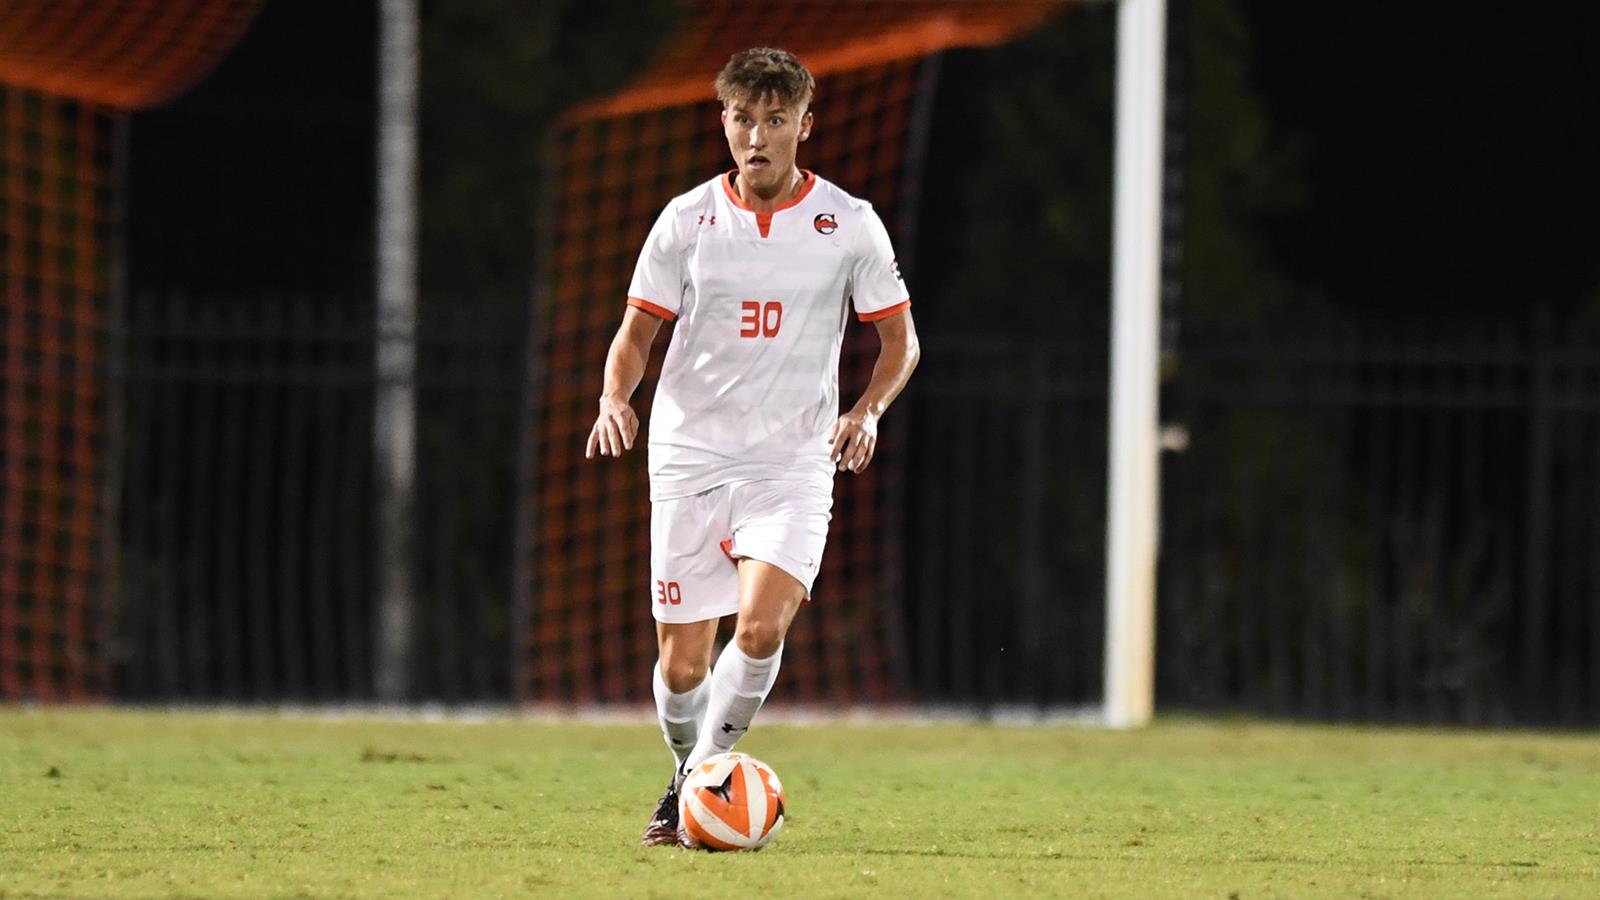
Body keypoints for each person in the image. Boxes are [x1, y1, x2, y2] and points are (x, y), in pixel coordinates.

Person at [585, 46, 920, 847]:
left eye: (775, 120)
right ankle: (686, 772)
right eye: (743, 118)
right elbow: (637, 334)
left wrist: (867, 410)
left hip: (794, 461)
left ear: (806, 124)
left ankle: (694, 787)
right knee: (681, 669)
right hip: (691, 454)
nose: (757, 136)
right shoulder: (687, 219)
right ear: (724, 121)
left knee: (763, 629)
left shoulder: (849, 224)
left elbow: (900, 344)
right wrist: (612, 397)